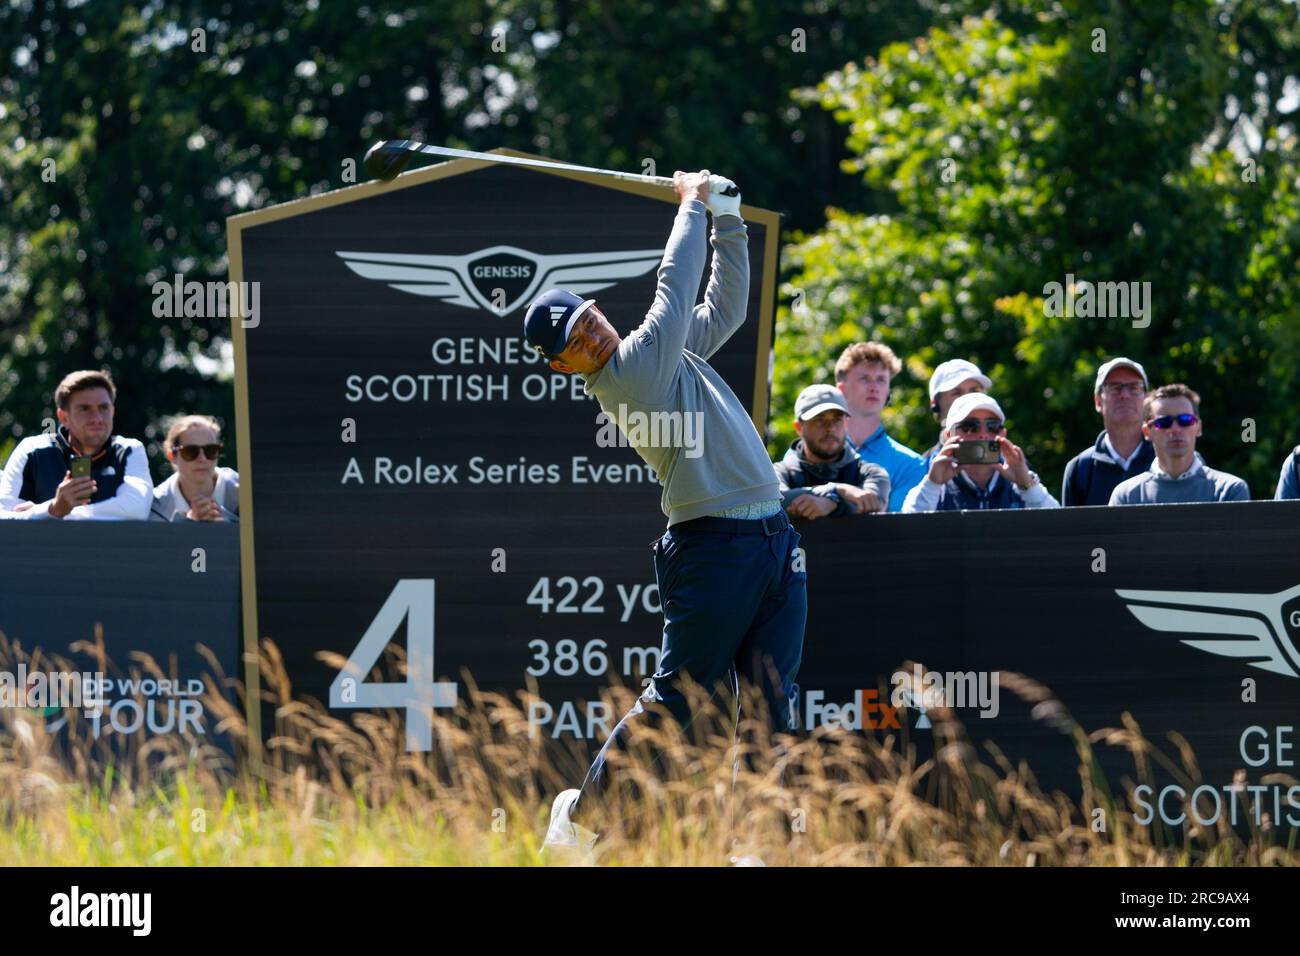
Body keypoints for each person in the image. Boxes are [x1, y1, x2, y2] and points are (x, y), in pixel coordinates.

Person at [525, 171, 806, 857]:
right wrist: (693, 207)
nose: (591, 336)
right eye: (576, 342)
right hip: (714, 547)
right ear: (565, 368)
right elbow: (675, 290)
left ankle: (757, 846)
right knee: (678, 699)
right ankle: (581, 823)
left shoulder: (662, 358)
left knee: (773, 706)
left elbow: (727, 305)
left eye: (589, 321)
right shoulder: (626, 375)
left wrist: (731, 220)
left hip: (773, 538)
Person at [0, 370, 151, 521]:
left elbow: (137, 509)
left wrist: (56, 511)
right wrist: (53, 509)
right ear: (63, 417)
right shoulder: (32, 450)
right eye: (84, 409)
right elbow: (4, 518)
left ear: (113, 411)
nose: (97, 418)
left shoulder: (129, 450)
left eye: (103, 408)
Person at [902, 393, 1060, 512]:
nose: (983, 434)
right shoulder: (936, 482)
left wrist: (1028, 485)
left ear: (1002, 434)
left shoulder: (1019, 480)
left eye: (993, 426)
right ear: (948, 436)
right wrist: (932, 485)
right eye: (970, 426)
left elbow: (1061, 529)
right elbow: (906, 534)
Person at [1109, 384, 1250, 505]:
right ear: (1147, 431)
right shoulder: (1126, 496)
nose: (1175, 429)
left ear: (1198, 427)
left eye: (1185, 420)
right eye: (1164, 422)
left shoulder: (1229, 490)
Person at [774, 384, 889, 521]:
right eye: (819, 420)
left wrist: (833, 504)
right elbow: (773, 504)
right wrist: (837, 490)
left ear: (846, 424)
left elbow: (873, 503)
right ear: (799, 427)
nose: (830, 428)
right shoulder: (778, 473)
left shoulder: (872, 473)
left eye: (837, 419)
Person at [834, 342, 925, 510]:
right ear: (841, 389)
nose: (874, 387)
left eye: (881, 379)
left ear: (888, 391)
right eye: (864, 379)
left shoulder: (911, 465)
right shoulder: (805, 453)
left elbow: (899, 530)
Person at [1061, 357, 1155, 506]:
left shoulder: (1166, 461)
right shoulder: (1080, 469)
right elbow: (1071, 529)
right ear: (1098, 401)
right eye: (1115, 387)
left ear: (1147, 399)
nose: (1125, 395)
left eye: (1134, 387)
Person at [151, 415, 240, 522]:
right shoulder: (157, 506)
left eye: (210, 450)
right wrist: (188, 524)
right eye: (190, 451)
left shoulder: (243, 489)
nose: (202, 459)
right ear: (171, 456)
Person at [921, 359, 992, 463]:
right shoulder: (922, 466)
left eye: (975, 391)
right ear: (935, 404)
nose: (968, 399)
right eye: (956, 393)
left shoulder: (1011, 462)